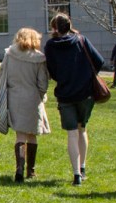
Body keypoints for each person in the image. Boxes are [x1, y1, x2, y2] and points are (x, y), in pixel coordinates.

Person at [42, 13, 105, 186]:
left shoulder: (50, 46)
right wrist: (85, 76)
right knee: (82, 129)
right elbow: (99, 61)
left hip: (65, 95)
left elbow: (52, 70)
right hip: (85, 93)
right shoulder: (81, 40)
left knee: (71, 133)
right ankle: (82, 167)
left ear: (54, 28)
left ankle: (76, 174)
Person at [0, 27, 51, 182]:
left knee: (20, 135)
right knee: (32, 135)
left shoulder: (9, 54)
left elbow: (2, 75)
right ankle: (31, 170)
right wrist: (41, 95)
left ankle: (19, 168)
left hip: (14, 97)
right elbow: (43, 84)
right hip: (33, 99)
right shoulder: (39, 59)